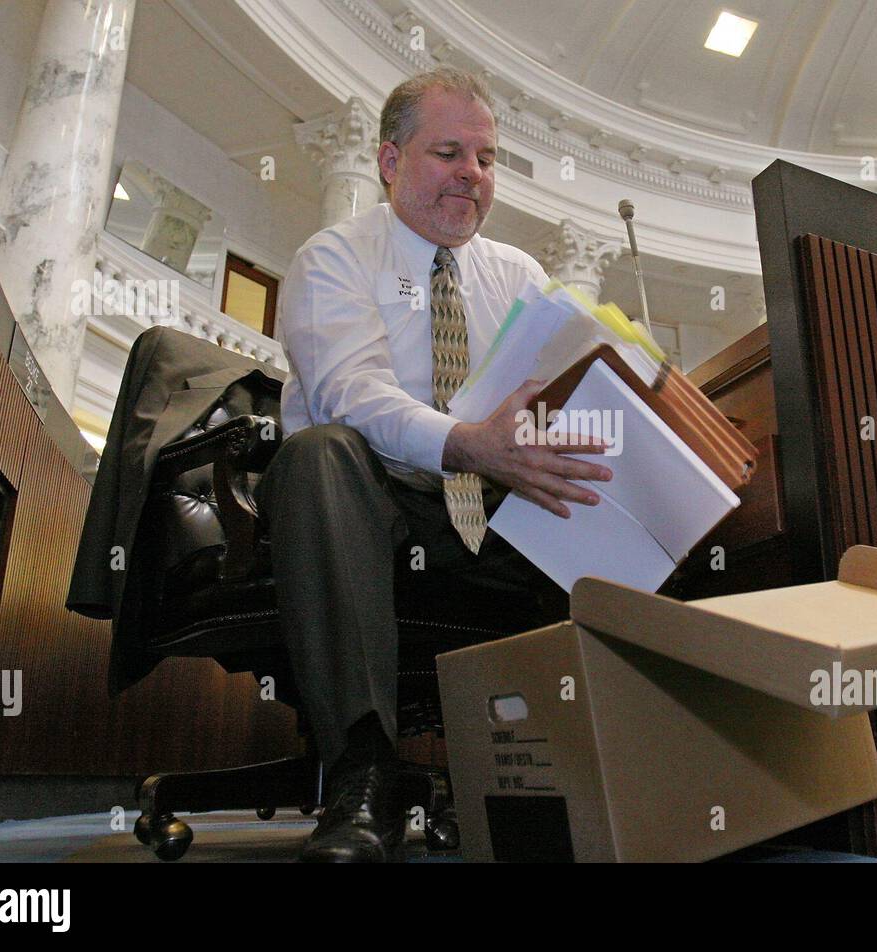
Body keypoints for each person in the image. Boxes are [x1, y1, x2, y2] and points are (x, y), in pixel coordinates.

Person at [256, 67, 613, 862]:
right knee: (319, 454)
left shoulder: (520, 278)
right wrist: (466, 441)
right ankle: (362, 775)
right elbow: (350, 393)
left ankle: (606, 775)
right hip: (375, 510)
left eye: (486, 159)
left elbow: (563, 397)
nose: (472, 176)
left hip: (490, 514)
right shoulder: (333, 259)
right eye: (449, 152)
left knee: (606, 500)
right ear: (388, 162)